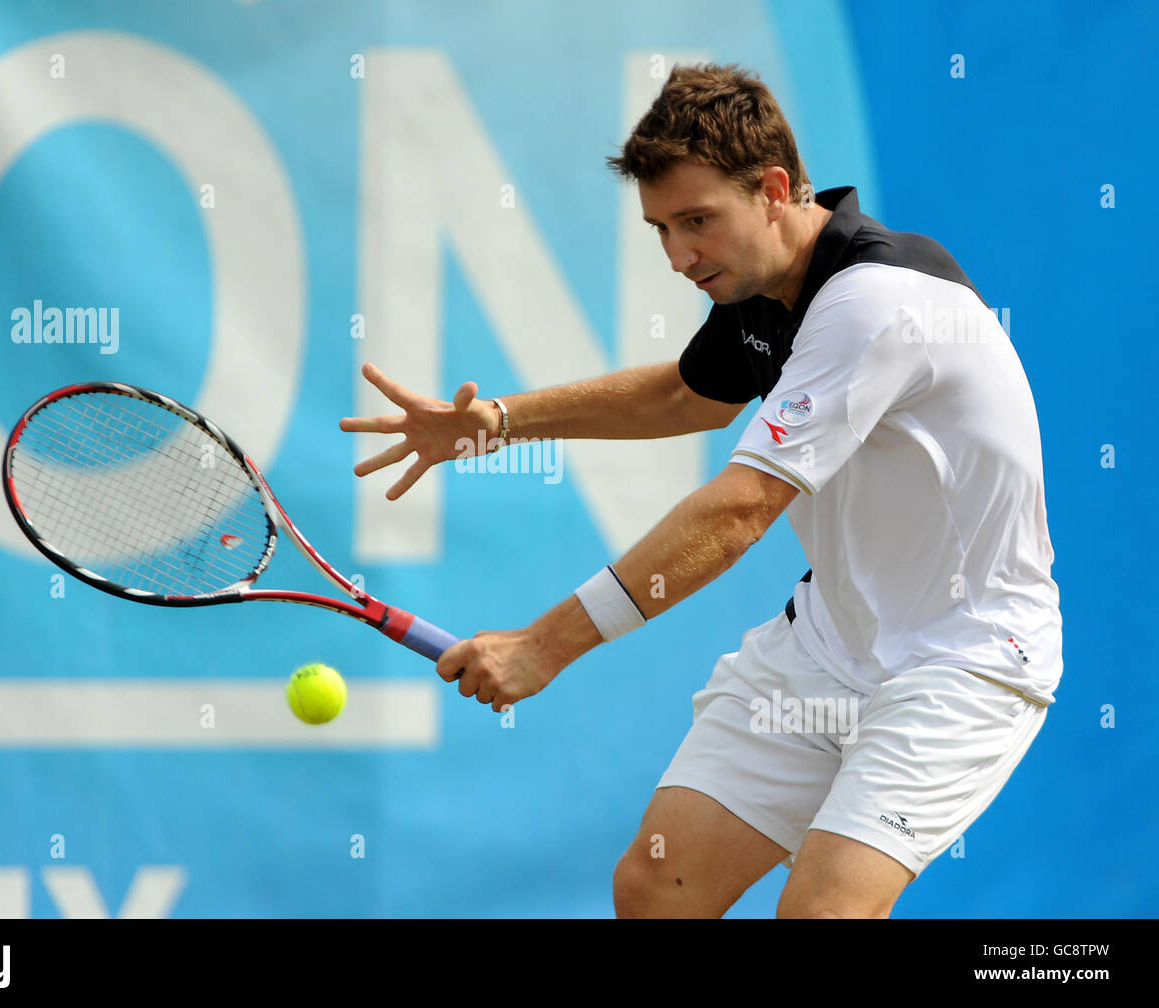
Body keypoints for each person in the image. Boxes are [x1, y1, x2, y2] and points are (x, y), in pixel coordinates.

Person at [340, 63, 1061, 919]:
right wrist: (494, 422)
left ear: (775, 189)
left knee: (822, 913)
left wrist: (544, 646)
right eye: (661, 229)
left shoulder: (877, 301)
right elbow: (685, 395)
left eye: (697, 222)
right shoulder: (770, 292)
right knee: (657, 887)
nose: (680, 257)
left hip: (962, 663)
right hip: (832, 645)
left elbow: (739, 512)